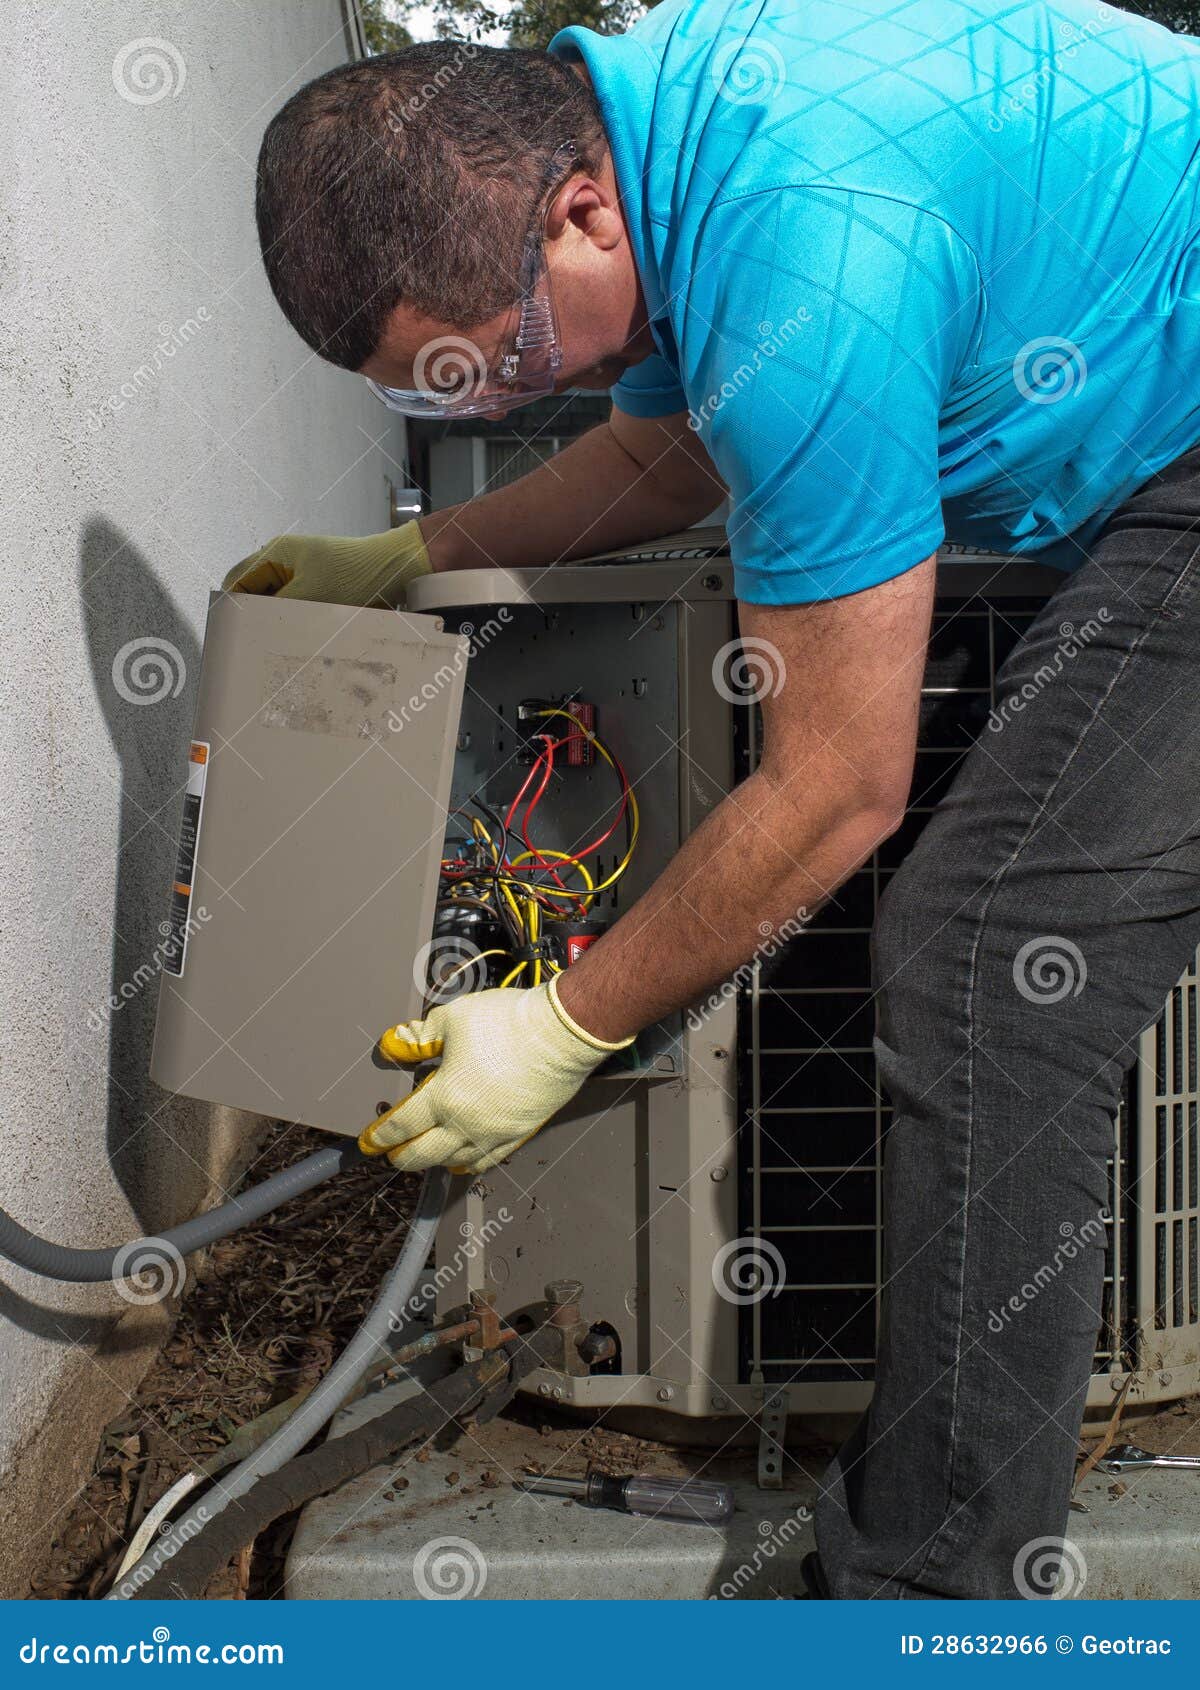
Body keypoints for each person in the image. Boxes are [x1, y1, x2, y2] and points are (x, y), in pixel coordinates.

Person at [228, 0, 1200, 1598]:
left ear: (581, 211)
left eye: (494, 360)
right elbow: (675, 451)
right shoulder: (664, 114)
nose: (486, 411)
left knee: (993, 958)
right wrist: (419, 553)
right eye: (441, 398)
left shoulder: (807, 251)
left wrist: (562, 1023)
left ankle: (929, 1594)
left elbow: (834, 790)